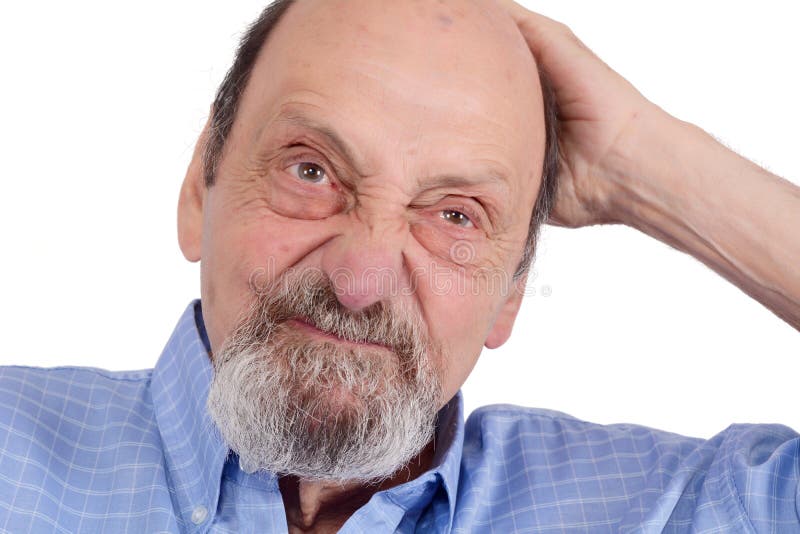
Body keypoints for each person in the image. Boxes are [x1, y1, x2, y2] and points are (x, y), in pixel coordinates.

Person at [1, 0, 798, 532]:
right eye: (311, 171)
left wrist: (643, 164)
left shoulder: (661, 512)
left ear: (511, 291)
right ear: (196, 189)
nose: (361, 280)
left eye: (455, 215)